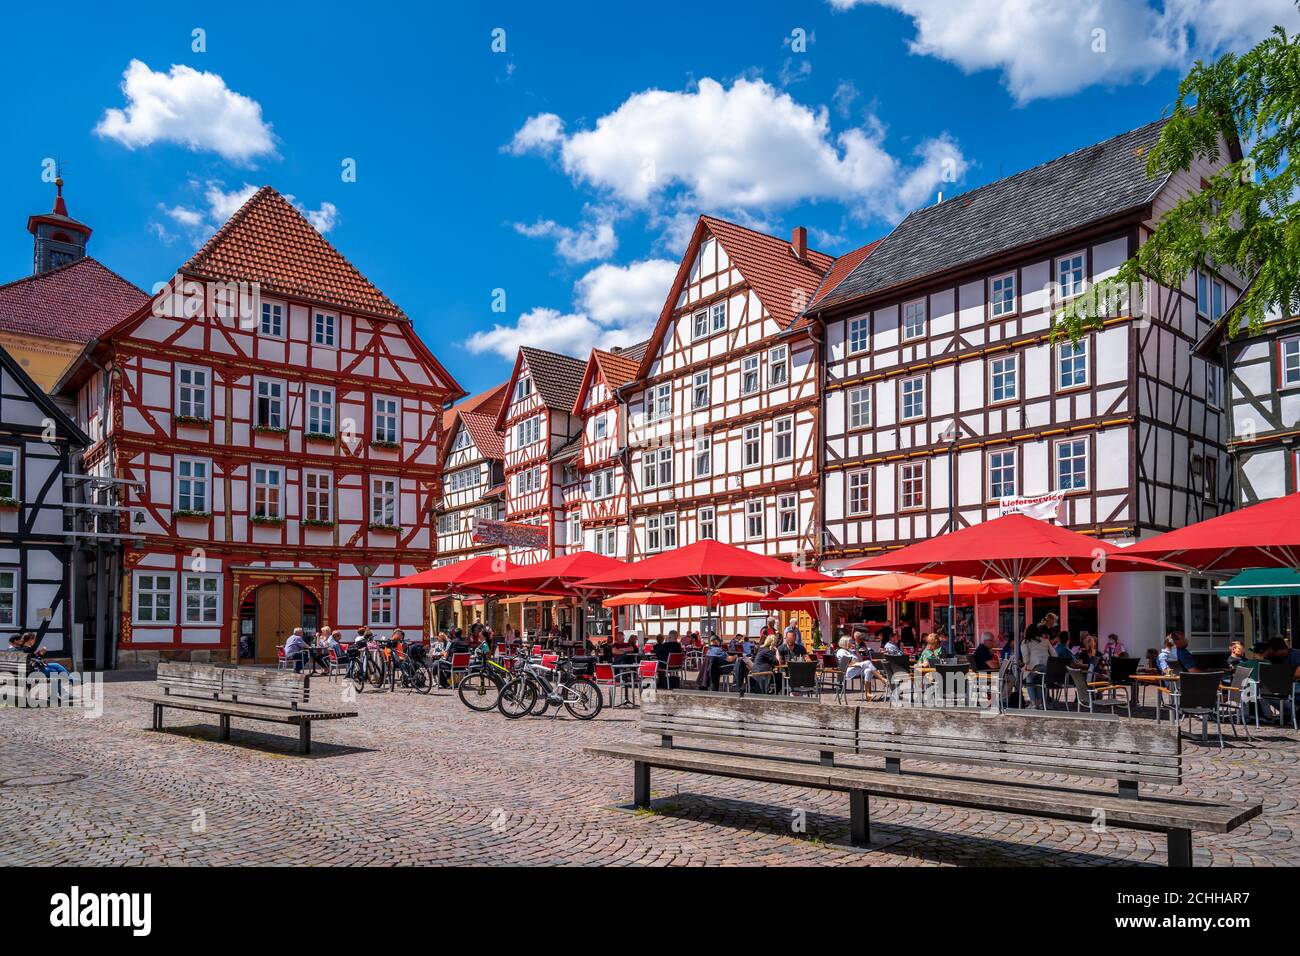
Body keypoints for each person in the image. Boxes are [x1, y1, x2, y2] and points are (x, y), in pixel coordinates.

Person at [1019, 624, 1050, 707]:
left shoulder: (1025, 642)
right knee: (1039, 682)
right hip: (1046, 668)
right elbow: (1055, 654)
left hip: (1034, 667)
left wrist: (1024, 666)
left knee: (1029, 679)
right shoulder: (1045, 641)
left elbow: (1026, 660)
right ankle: (1039, 703)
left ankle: (1033, 703)